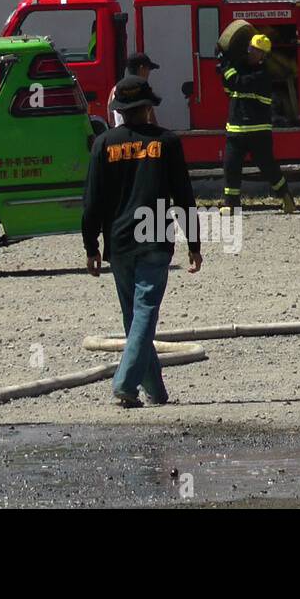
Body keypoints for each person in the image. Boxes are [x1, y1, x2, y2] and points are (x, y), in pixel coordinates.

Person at [82, 76, 203, 409]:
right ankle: (125, 384)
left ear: (119, 111)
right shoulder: (167, 142)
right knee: (145, 314)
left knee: (134, 318)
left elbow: (92, 201)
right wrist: (194, 243)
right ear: (149, 108)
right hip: (154, 237)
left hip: (119, 242)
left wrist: (91, 246)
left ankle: (155, 392)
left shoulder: (103, 144)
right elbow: (183, 196)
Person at [218, 33, 296, 214]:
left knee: (268, 167)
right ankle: (231, 204)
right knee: (231, 167)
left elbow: (237, 83)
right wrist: (225, 69)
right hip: (236, 129)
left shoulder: (262, 74)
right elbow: (229, 87)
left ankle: (286, 197)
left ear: (264, 55)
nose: (252, 52)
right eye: (251, 48)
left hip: (257, 131)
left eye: (257, 51)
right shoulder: (241, 68)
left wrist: (226, 65)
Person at [107, 52, 159, 127]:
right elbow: (152, 122)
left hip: (120, 132)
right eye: (148, 69)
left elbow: (111, 121)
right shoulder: (142, 89)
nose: (149, 73)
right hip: (141, 133)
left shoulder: (115, 89)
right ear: (141, 68)